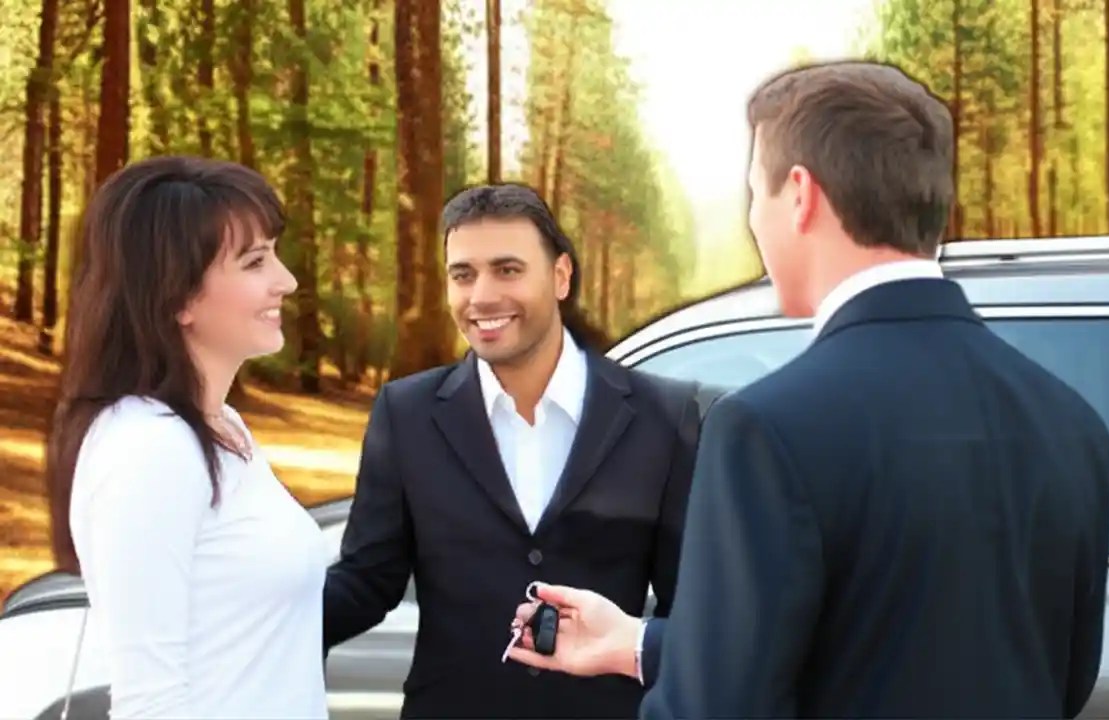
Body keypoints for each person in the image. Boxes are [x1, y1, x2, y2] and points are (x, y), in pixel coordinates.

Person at [505, 60, 1109, 719]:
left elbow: (716, 710)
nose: (751, 219)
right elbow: (1038, 676)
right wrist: (644, 645)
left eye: (753, 194)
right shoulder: (1073, 424)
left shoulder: (765, 430)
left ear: (800, 194)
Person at [322, 183, 705, 718]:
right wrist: (246, 628)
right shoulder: (405, 414)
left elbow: (690, 606)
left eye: (507, 270)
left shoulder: (663, 416)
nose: (481, 297)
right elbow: (366, 581)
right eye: (463, 274)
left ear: (561, 276)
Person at [46, 156, 329, 718]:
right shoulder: (148, 448)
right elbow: (148, 702)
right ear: (177, 297)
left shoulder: (223, 430)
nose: (287, 282)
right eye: (255, 262)